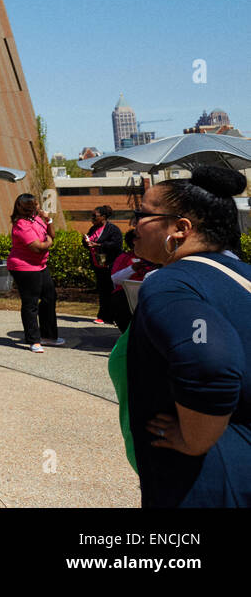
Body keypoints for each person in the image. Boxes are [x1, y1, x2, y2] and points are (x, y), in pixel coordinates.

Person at [118, 165, 251, 507]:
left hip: (206, 482)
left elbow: (209, 362)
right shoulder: (238, 275)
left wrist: (195, 439)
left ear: (180, 228)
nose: (134, 225)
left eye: (142, 214)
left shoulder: (171, 283)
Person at [8, 193, 59, 352]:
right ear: (22, 208)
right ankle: (33, 340)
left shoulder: (36, 219)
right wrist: (49, 242)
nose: (35, 207)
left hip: (41, 266)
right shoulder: (21, 224)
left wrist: (48, 220)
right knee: (31, 303)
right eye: (31, 205)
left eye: (35, 204)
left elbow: (52, 234)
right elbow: (37, 247)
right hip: (25, 267)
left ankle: (48, 335)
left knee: (49, 298)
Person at [84, 205, 124, 325]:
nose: (92, 218)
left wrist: (99, 245)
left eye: (95, 216)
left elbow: (116, 245)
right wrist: (86, 242)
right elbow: (89, 241)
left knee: (113, 290)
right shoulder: (93, 228)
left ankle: (117, 317)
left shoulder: (113, 229)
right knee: (102, 291)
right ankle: (103, 315)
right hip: (98, 265)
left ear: (103, 217)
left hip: (111, 264)